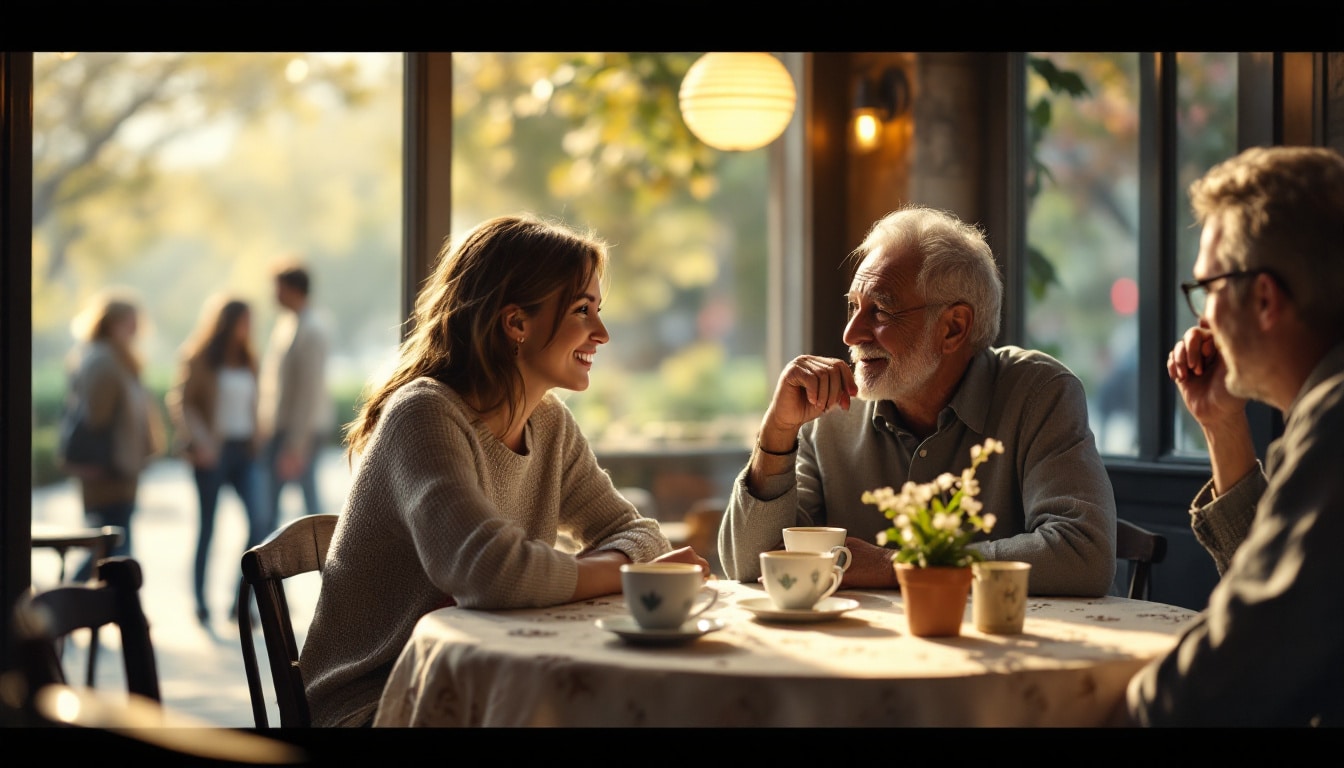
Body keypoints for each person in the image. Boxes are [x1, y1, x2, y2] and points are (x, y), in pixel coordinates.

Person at [300, 213, 710, 727]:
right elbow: (491, 574)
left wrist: (603, 566)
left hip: (483, 683)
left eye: (598, 311)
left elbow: (638, 531)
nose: (602, 333)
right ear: (516, 323)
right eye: (583, 311)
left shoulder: (549, 422)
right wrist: (628, 575)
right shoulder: (423, 415)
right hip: (381, 704)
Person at [717, 204, 1117, 596]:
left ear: (953, 328)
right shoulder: (831, 412)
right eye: (854, 306)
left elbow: (1082, 553)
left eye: (881, 311)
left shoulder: (1038, 394)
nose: (850, 334)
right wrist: (777, 432)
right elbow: (750, 567)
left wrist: (899, 566)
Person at [1120, 146, 1344, 727]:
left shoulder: (1335, 417)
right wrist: (1222, 425)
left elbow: (1239, 664)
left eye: (1209, 288)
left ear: (1265, 298)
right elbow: (1279, 603)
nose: (1203, 320)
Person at [165, 295, 263, 627]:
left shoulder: (250, 358)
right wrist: (201, 441)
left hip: (244, 451)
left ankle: (240, 602)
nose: (250, 328)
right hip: (212, 452)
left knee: (259, 521)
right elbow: (182, 402)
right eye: (244, 321)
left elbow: (256, 402)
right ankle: (200, 602)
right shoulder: (199, 357)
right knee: (208, 527)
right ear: (228, 322)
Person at [63, 291, 164, 582]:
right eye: (130, 321)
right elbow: (95, 418)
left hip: (119, 470)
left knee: (114, 548)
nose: (136, 328)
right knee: (112, 550)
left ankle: (99, 612)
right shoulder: (104, 360)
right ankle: (60, 606)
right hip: (107, 472)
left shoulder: (116, 358)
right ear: (112, 323)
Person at [256, 260, 333, 540]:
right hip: (290, 431)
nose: (273, 295)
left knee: (306, 511)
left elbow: (307, 392)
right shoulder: (291, 324)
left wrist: (295, 446)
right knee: (295, 507)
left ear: (291, 289)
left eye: (277, 289)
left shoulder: (311, 328)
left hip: (300, 432)